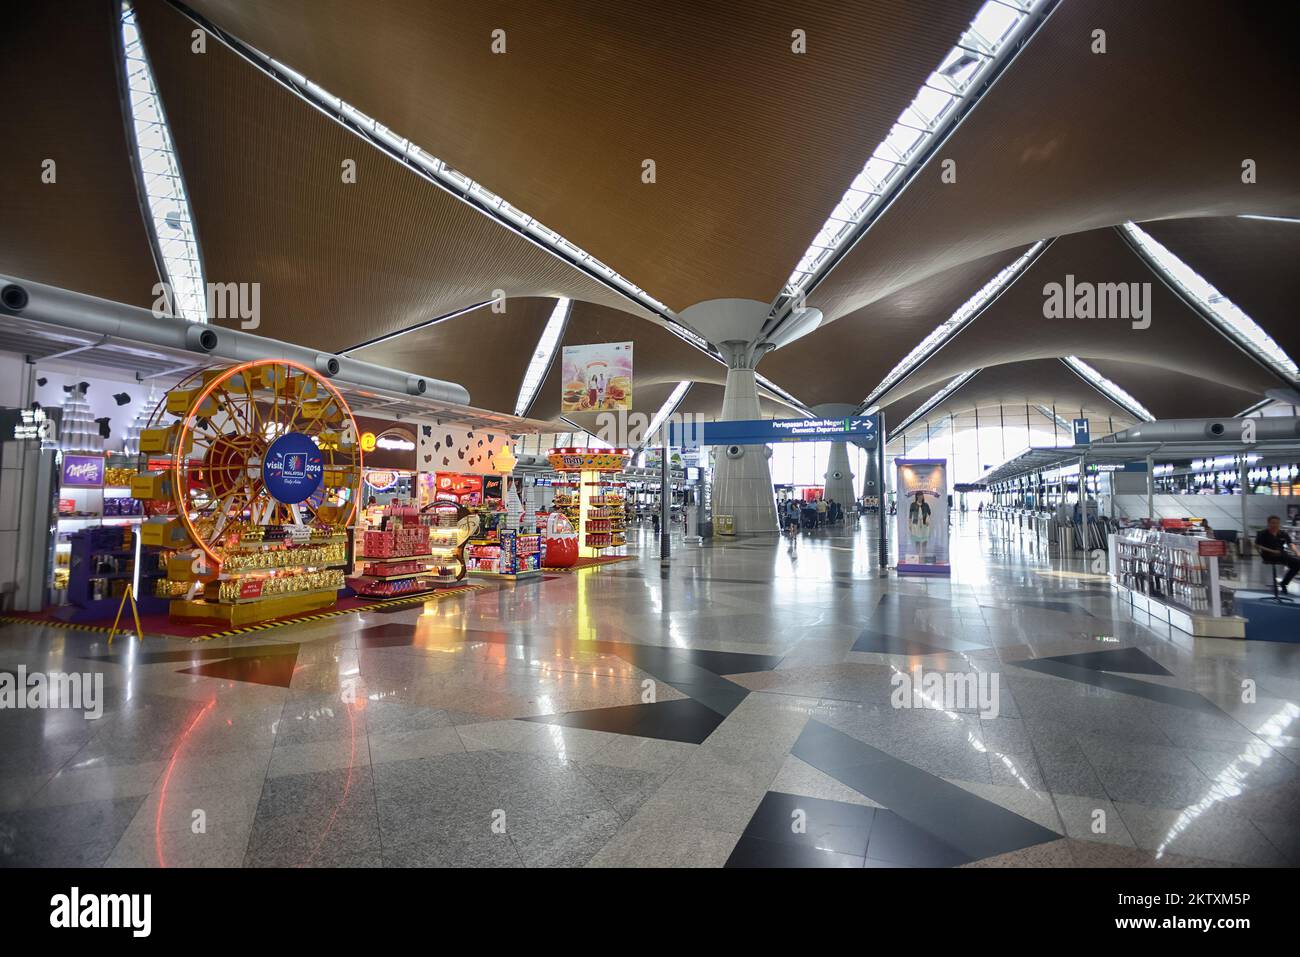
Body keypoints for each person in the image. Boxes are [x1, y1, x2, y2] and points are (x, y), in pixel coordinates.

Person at [1256, 515, 1299, 592]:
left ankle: (1284, 583)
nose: (1275, 525)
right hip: (1268, 555)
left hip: (1281, 555)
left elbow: (1290, 544)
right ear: (1268, 523)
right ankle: (1283, 583)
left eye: (1277, 523)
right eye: (1273, 523)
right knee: (1292, 560)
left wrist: (1297, 552)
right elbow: (1257, 546)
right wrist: (1272, 551)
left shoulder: (1283, 533)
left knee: (1297, 564)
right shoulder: (1262, 533)